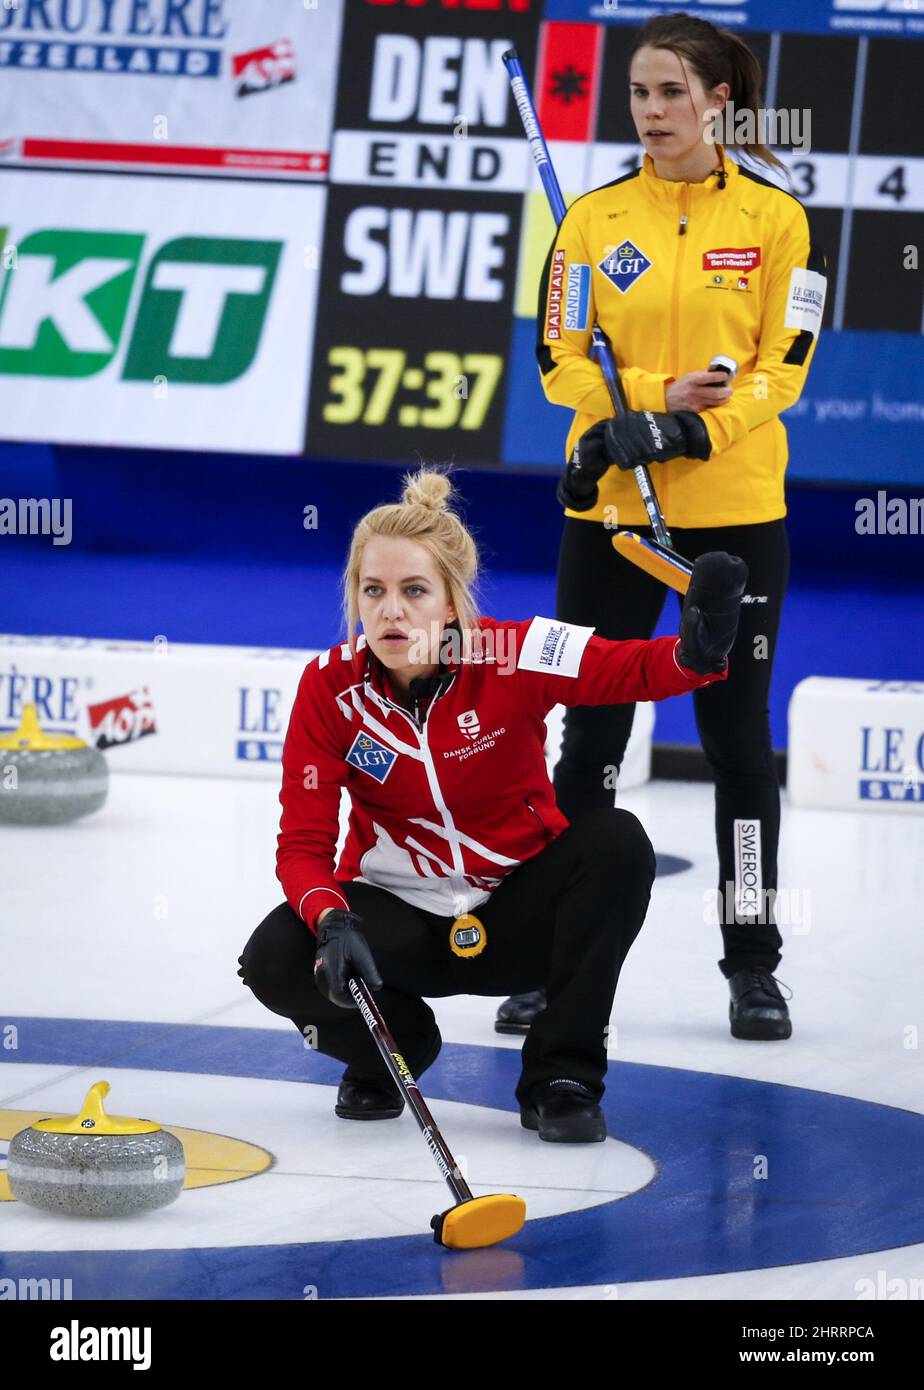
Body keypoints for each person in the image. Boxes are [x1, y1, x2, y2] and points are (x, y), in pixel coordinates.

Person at [238, 469, 745, 1143]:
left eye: (414, 591)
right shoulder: (328, 689)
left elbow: (622, 668)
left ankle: (562, 1080)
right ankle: (391, 1050)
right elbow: (302, 845)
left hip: (517, 917)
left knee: (616, 841)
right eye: (374, 590)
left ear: (451, 602)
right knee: (274, 953)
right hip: (399, 926)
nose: (392, 611)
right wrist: (331, 920)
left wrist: (698, 650)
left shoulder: (514, 650)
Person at [496, 11, 827, 1044]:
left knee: (737, 746)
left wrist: (691, 424)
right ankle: (554, 957)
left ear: (721, 99)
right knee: (589, 737)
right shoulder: (591, 218)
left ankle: (752, 961)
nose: (651, 113)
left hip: (734, 522)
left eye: (671, 94)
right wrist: (638, 401)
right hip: (612, 522)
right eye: (638, 95)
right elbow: (559, 355)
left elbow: (788, 364)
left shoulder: (779, 223)